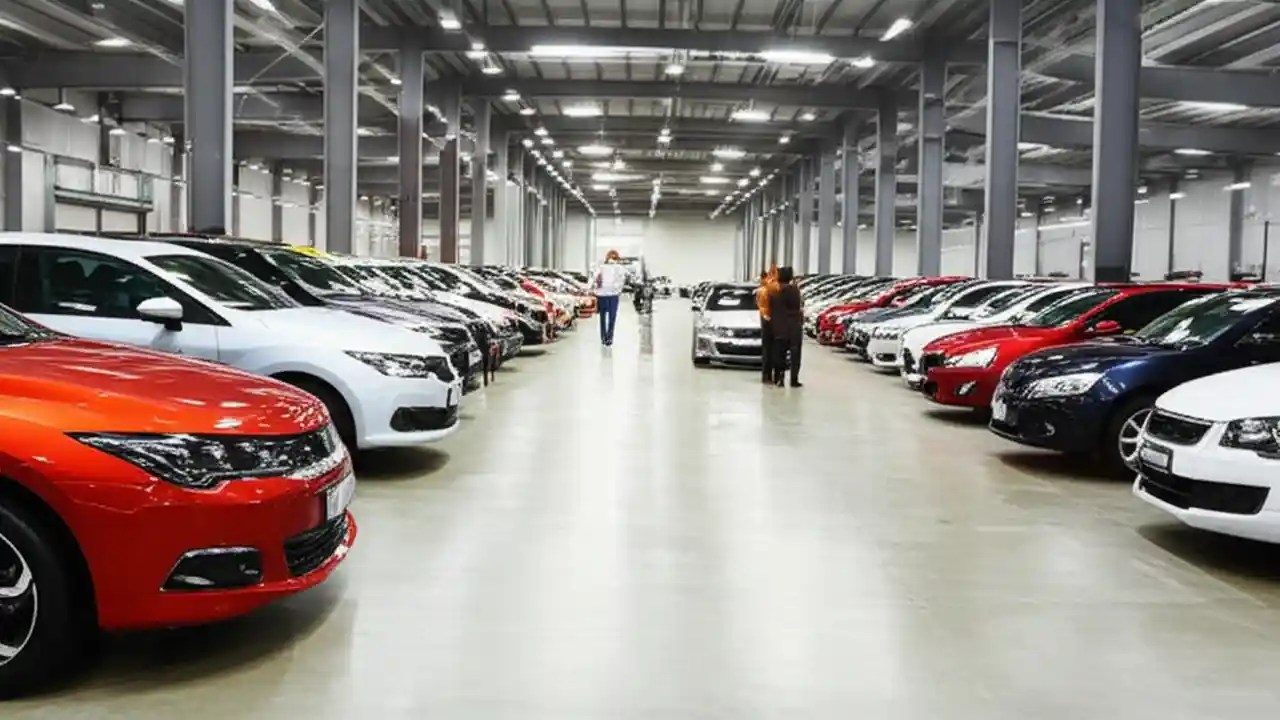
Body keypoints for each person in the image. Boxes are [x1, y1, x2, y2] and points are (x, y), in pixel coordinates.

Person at [770, 266, 803, 387]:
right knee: (795, 355)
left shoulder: (774, 291)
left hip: (779, 327)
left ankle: (779, 377)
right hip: (794, 326)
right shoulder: (794, 290)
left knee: (779, 354)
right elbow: (798, 306)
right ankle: (794, 380)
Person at [593, 249, 628, 346]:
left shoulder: (600, 267)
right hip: (612, 295)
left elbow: (595, 279)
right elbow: (622, 281)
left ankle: (604, 338)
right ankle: (609, 338)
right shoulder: (619, 268)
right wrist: (618, 290)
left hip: (602, 295)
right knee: (612, 317)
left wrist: (595, 291)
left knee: (603, 318)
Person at [756, 265, 779, 384]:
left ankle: (766, 375)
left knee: (767, 349)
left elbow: (760, 305)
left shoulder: (762, 290)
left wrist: (764, 315)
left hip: (765, 320)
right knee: (775, 349)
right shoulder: (773, 288)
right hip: (773, 321)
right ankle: (773, 376)